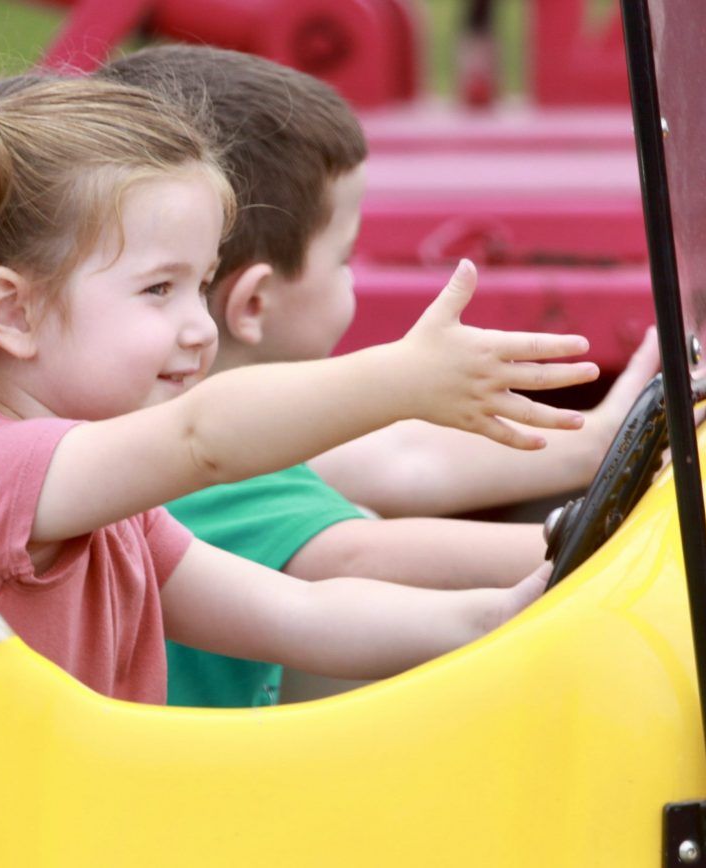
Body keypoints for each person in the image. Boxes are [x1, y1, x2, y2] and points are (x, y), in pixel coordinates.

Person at [0, 74, 599, 705]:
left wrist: (499, 616)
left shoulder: (109, 513)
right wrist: (401, 379)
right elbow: (203, 438)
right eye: (159, 289)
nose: (200, 327)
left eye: (202, 283)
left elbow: (300, 613)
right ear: (13, 313)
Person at [99, 46, 658, 707]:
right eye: (345, 258)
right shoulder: (180, 458)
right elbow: (356, 556)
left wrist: (597, 441)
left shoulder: (169, 423)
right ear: (254, 303)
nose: (355, 279)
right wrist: (639, 540)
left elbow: (402, 457)